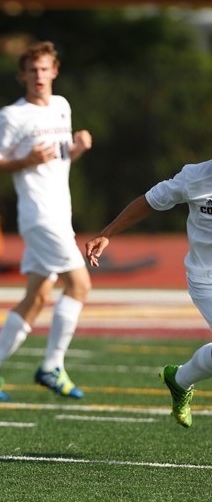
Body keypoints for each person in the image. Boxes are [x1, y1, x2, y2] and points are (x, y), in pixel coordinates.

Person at [0, 41, 92, 402]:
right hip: (39, 215)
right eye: (32, 70)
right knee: (79, 285)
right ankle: (53, 366)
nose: (39, 75)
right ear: (22, 75)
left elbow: (59, 158)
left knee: (37, 297)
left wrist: (76, 149)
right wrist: (25, 160)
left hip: (60, 213)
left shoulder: (62, 106)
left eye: (44, 68)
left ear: (55, 71)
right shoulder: (12, 115)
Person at [85, 160, 212, 428]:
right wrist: (108, 233)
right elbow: (149, 201)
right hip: (206, 279)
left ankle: (179, 379)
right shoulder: (194, 177)